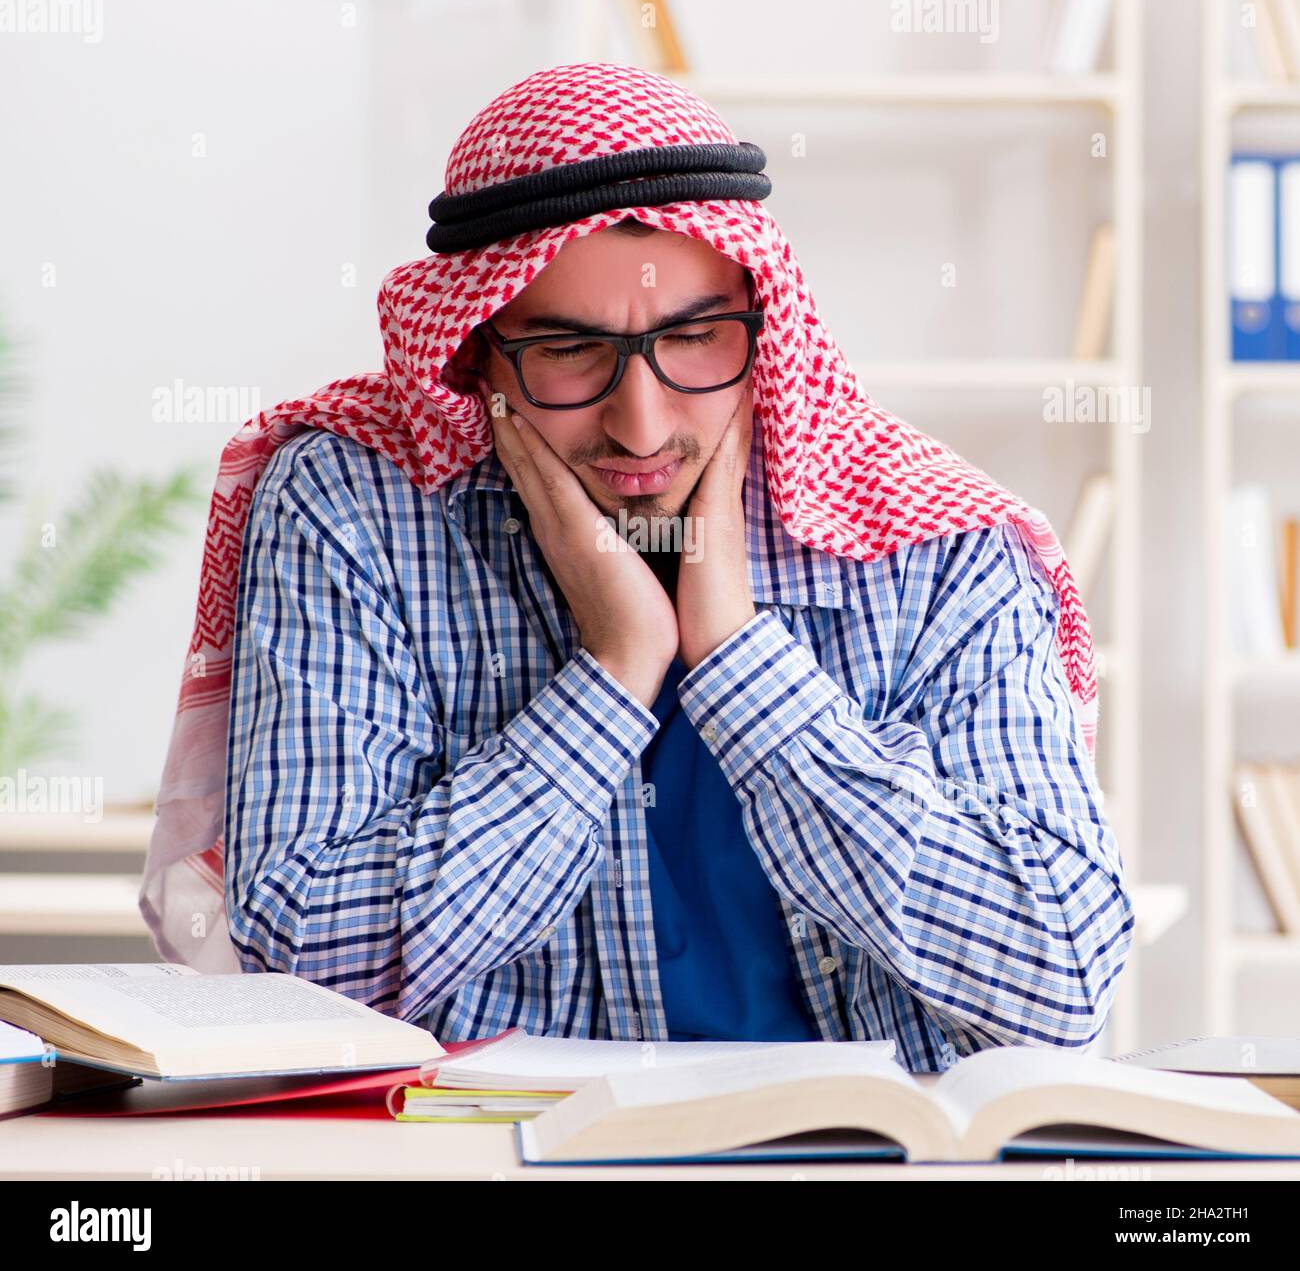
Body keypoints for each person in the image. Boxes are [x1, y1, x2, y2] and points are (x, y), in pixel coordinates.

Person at [140, 62, 1134, 1071]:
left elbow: (1059, 979)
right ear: (474, 356)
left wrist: (743, 662)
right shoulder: (354, 510)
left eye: (694, 339)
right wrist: (613, 674)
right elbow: (297, 971)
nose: (641, 422)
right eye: (572, 354)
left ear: (762, 325)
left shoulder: (938, 547)